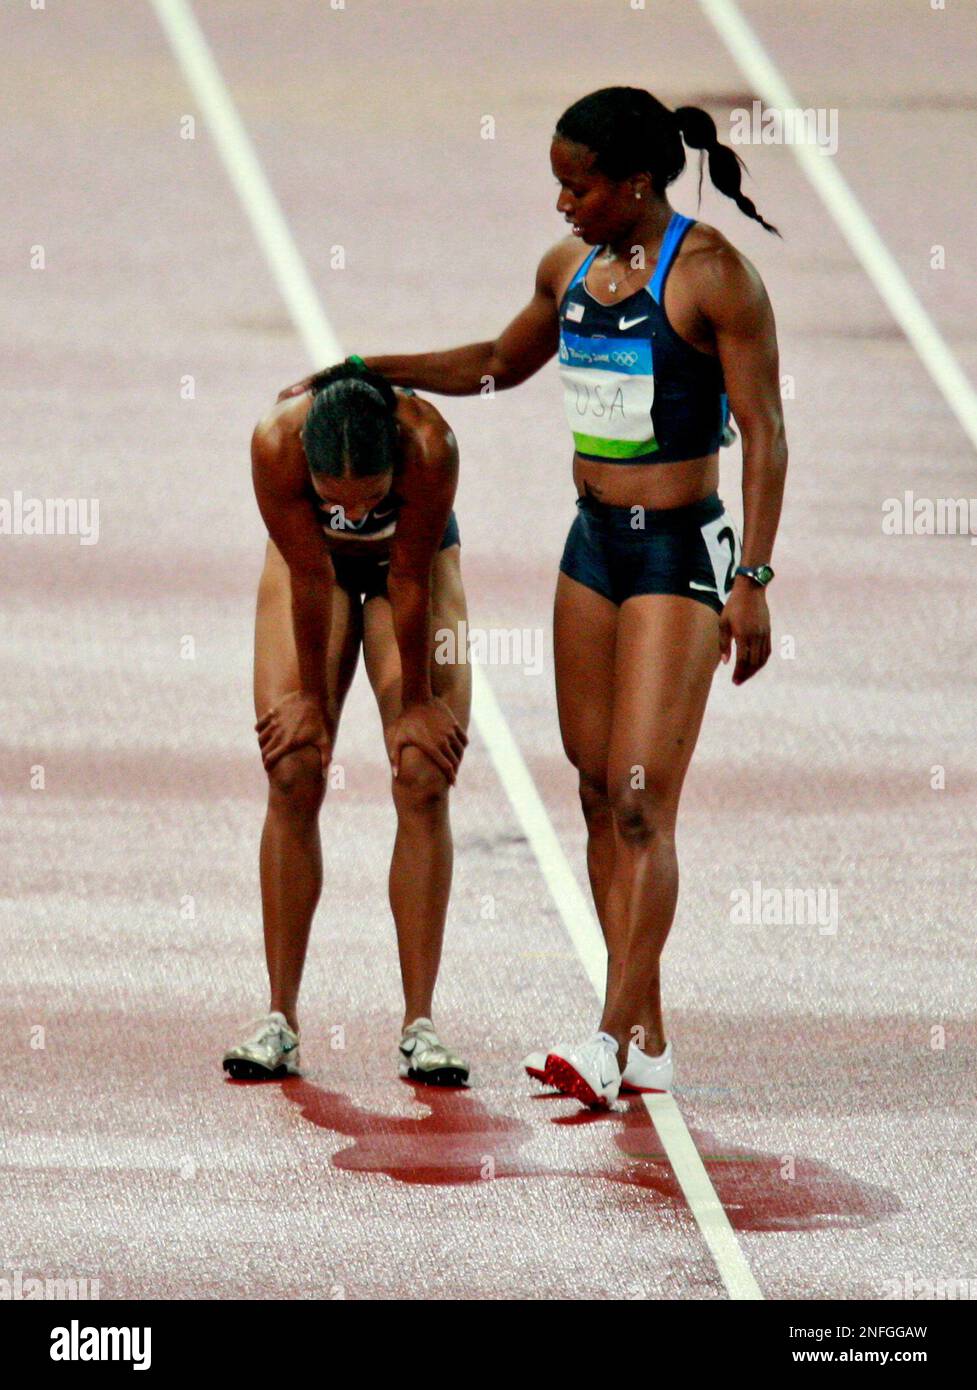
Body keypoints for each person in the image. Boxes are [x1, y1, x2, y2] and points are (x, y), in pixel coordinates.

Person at [279, 88, 788, 1107]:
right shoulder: (569, 272)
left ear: (636, 184)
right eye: (556, 181)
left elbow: (764, 432)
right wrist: (367, 368)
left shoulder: (712, 278)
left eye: (578, 184)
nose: (561, 203)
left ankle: (604, 1039)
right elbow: (496, 365)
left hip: (678, 552)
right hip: (591, 545)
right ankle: (644, 1031)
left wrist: (753, 578)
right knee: (596, 788)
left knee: (643, 798)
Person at [223, 360, 471, 1086]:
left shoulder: (429, 445)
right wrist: (306, 698)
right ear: (307, 467)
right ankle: (278, 1019)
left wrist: (419, 703)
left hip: (412, 572)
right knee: (294, 765)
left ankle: (420, 1024)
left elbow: (408, 578)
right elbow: (308, 575)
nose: (357, 514)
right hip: (316, 572)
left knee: (425, 772)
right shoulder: (275, 441)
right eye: (340, 502)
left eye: (371, 500)